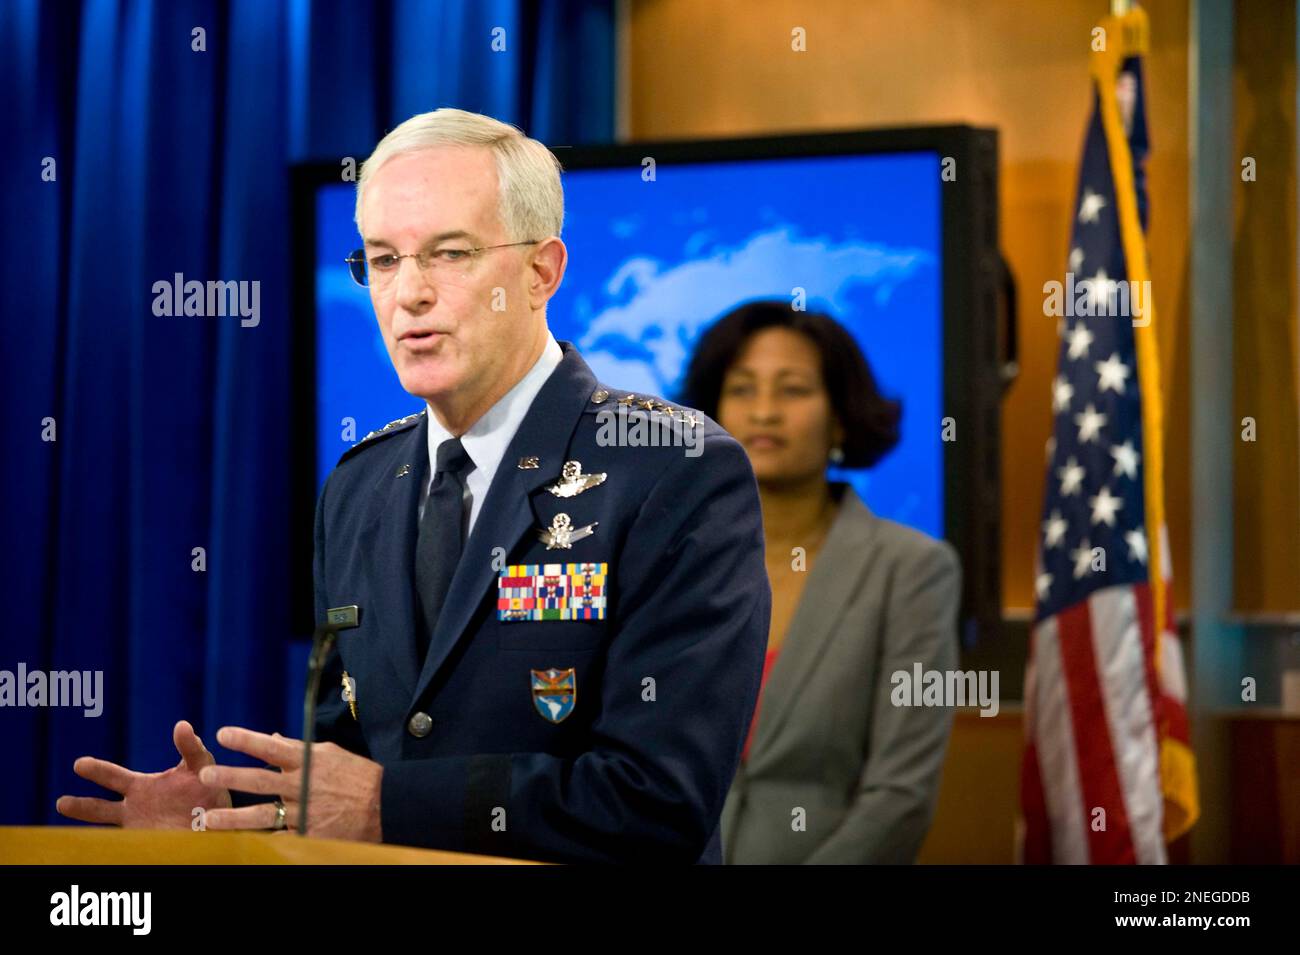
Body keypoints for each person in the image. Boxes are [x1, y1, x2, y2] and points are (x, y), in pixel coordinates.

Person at [56, 108, 770, 864]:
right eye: (384, 259)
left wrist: (383, 805)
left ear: (541, 271)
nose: (410, 294)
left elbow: (658, 801)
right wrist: (245, 811)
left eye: (450, 254)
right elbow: (352, 757)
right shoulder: (358, 486)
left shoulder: (674, 466)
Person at [680, 300, 960, 864]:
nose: (764, 412)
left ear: (840, 417)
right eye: (741, 389)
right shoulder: (666, 562)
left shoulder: (910, 569)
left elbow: (900, 796)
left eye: (793, 390)